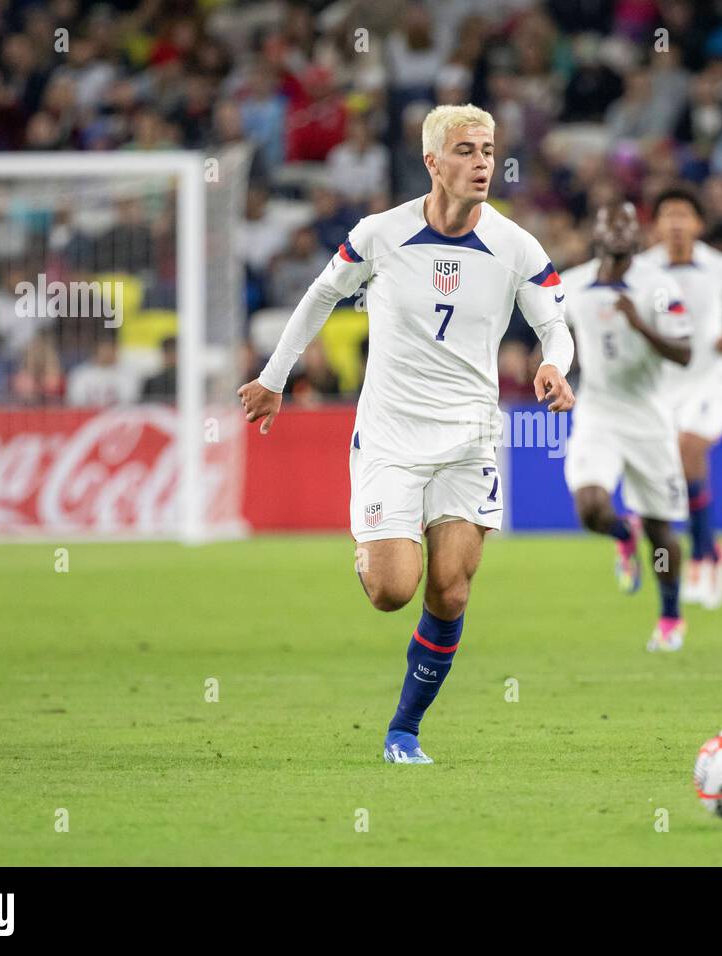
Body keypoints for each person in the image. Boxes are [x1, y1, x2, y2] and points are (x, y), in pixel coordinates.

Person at [236, 104, 575, 765]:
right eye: (467, 151)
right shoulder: (379, 234)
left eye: (488, 150)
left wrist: (554, 365)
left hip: (471, 438)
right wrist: (274, 377)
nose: (482, 162)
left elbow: (553, 323)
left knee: (450, 588)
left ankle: (404, 732)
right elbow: (319, 297)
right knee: (394, 591)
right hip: (391, 435)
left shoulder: (515, 246)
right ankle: (376, 546)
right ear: (432, 162)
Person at [561, 201, 693, 650]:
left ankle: (671, 616)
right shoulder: (573, 285)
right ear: (595, 232)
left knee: (661, 530)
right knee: (590, 509)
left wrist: (639, 324)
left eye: (627, 225)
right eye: (609, 223)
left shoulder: (659, 287)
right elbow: (551, 332)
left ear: (637, 235)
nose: (618, 232)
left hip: (648, 418)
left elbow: (685, 352)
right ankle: (622, 533)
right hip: (597, 412)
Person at [634, 187, 722, 608]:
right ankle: (711, 550)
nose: (677, 222)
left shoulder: (721, 266)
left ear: (699, 224)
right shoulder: (642, 270)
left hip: (712, 380)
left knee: (688, 452)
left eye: (685, 214)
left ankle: (702, 557)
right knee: (671, 470)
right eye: (668, 215)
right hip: (664, 387)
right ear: (656, 224)